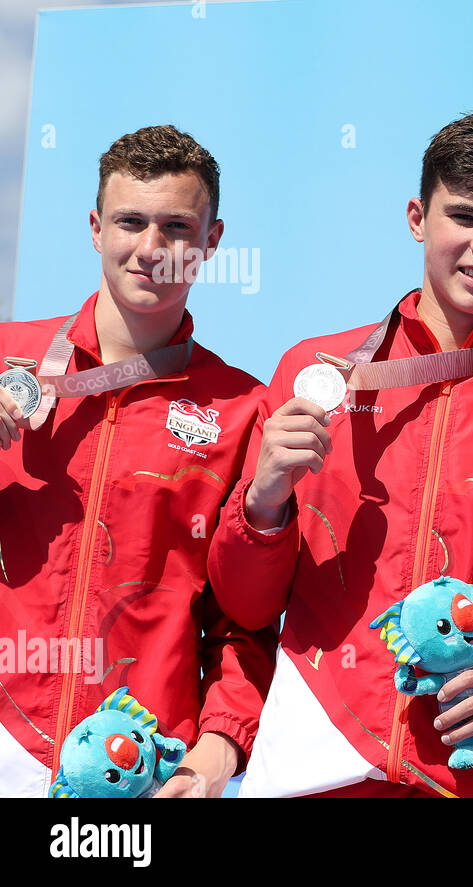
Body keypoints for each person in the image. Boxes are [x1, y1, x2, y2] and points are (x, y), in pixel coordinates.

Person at [206, 111, 473, 797]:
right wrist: (263, 503)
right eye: (463, 215)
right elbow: (245, 609)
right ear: (416, 217)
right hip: (318, 765)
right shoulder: (312, 373)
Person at [0, 125, 277, 798]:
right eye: (130, 222)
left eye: (177, 227)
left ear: (212, 241)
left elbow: (245, 624)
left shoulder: (242, 408)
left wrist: (213, 757)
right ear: (96, 228)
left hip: (142, 762)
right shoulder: (8, 359)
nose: (152, 249)